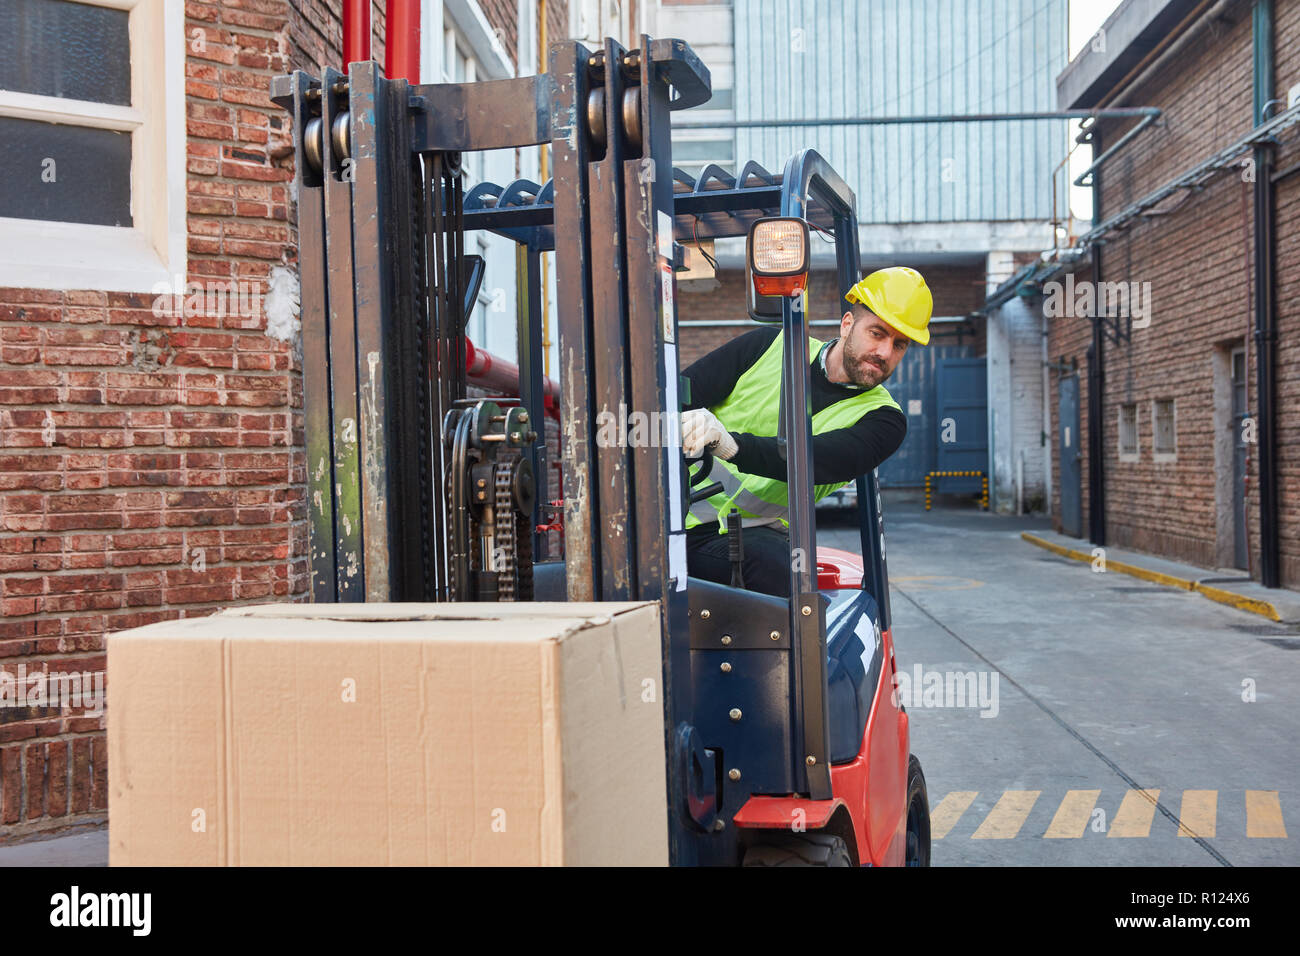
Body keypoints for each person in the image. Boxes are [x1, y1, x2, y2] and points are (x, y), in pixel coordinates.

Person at [679, 267, 933, 597]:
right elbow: (676, 396)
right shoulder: (767, 347)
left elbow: (817, 459)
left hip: (747, 537)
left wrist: (731, 445)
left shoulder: (884, 421)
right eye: (877, 334)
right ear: (847, 325)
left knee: (784, 575)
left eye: (900, 345)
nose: (885, 353)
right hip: (667, 514)